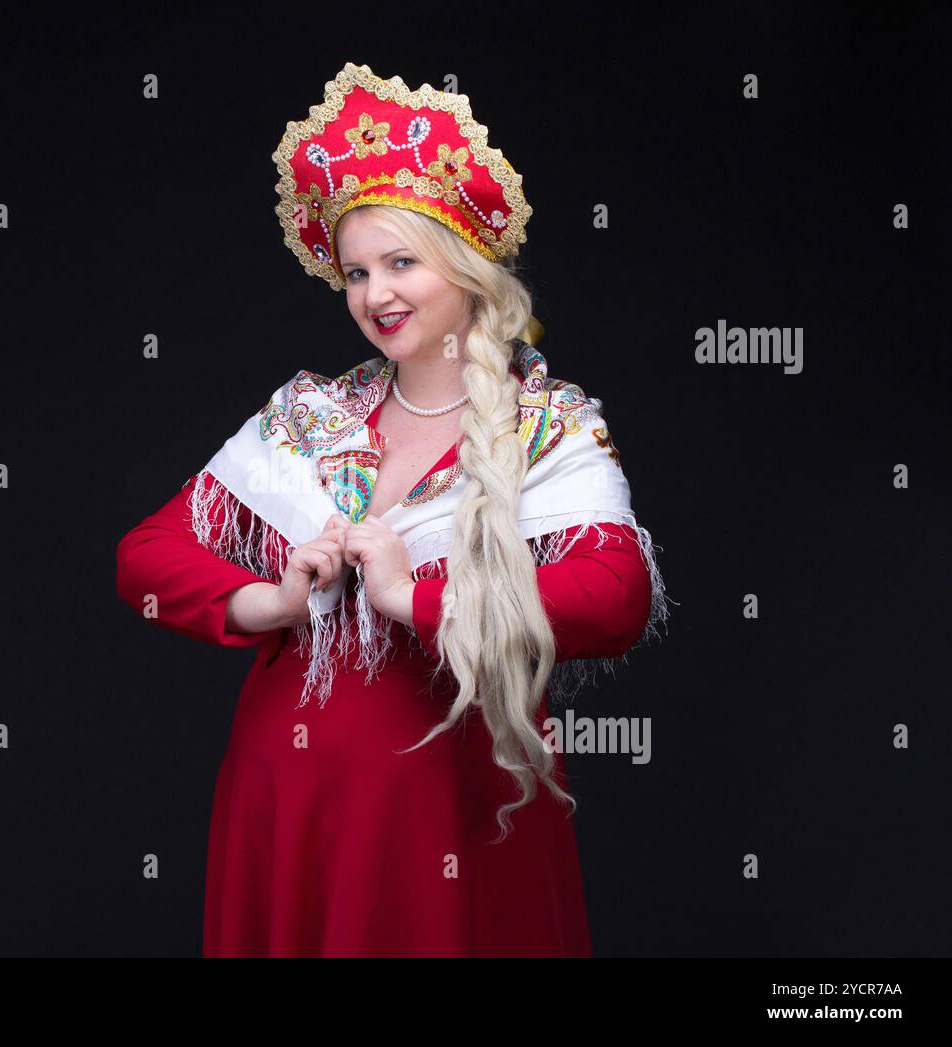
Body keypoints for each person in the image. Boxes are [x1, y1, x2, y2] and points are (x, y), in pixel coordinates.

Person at [115, 62, 670, 957]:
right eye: (357, 271)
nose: (376, 295)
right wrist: (272, 602)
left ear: (463, 264)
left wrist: (416, 597)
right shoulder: (308, 415)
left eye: (402, 262)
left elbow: (617, 596)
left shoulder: (546, 422)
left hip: (451, 814)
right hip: (285, 806)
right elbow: (145, 553)